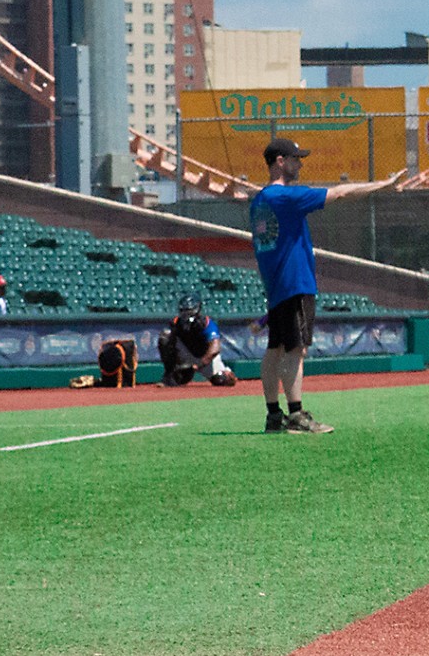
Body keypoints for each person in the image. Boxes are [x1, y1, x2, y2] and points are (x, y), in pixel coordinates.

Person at [250, 134, 389, 434]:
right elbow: (339, 193)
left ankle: (273, 415)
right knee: (295, 350)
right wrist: (381, 185)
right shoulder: (285, 197)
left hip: (276, 285)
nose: (300, 164)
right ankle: (296, 415)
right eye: (295, 159)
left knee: (275, 349)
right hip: (295, 282)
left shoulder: (259, 200)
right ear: (280, 161)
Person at [159, 294, 236, 387]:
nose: (186, 314)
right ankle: (169, 374)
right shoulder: (176, 322)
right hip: (186, 353)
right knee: (165, 336)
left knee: (222, 380)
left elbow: (215, 348)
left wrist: (196, 366)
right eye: (183, 310)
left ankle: (225, 372)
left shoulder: (206, 323)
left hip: (205, 357)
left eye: (189, 310)